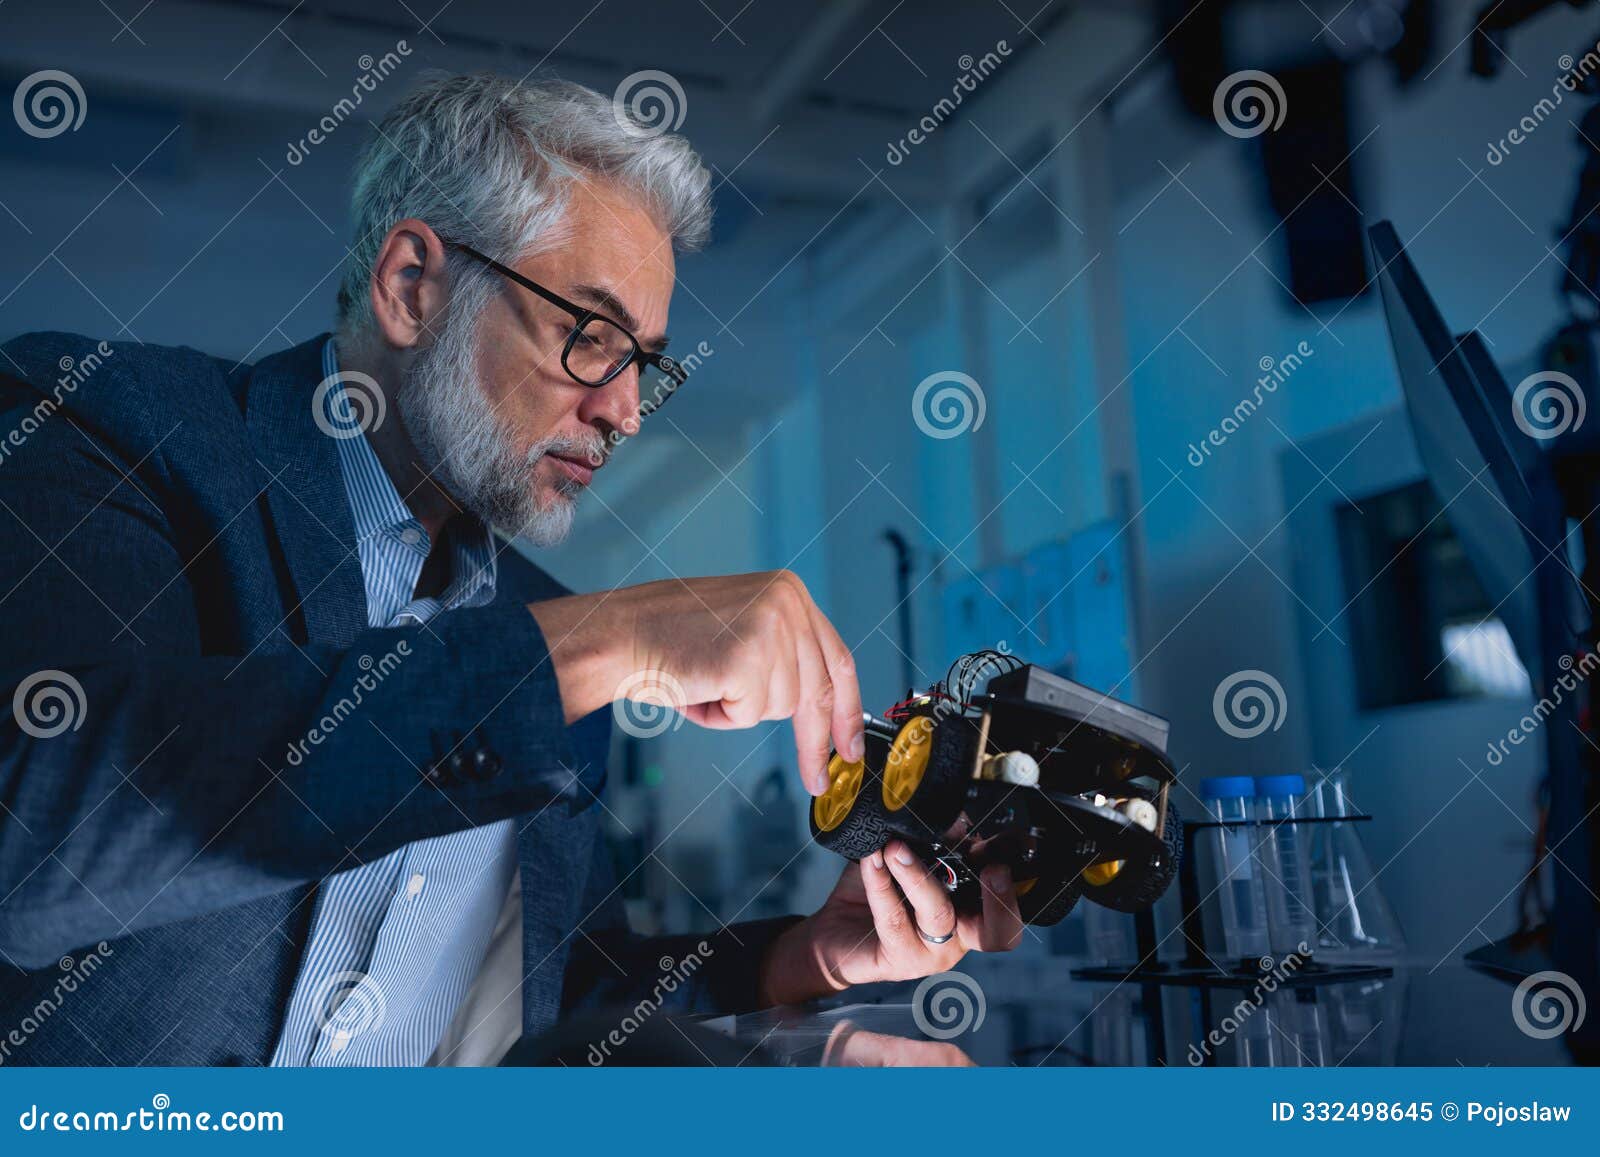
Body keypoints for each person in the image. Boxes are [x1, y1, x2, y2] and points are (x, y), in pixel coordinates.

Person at [0, 72, 1022, 1067]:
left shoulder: (547, 628)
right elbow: (43, 835)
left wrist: (798, 958)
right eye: (591, 336)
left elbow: (547, 997)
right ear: (412, 286)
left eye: (646, 362)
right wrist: (607, 639)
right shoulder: (106, 425)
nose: (624, 410)